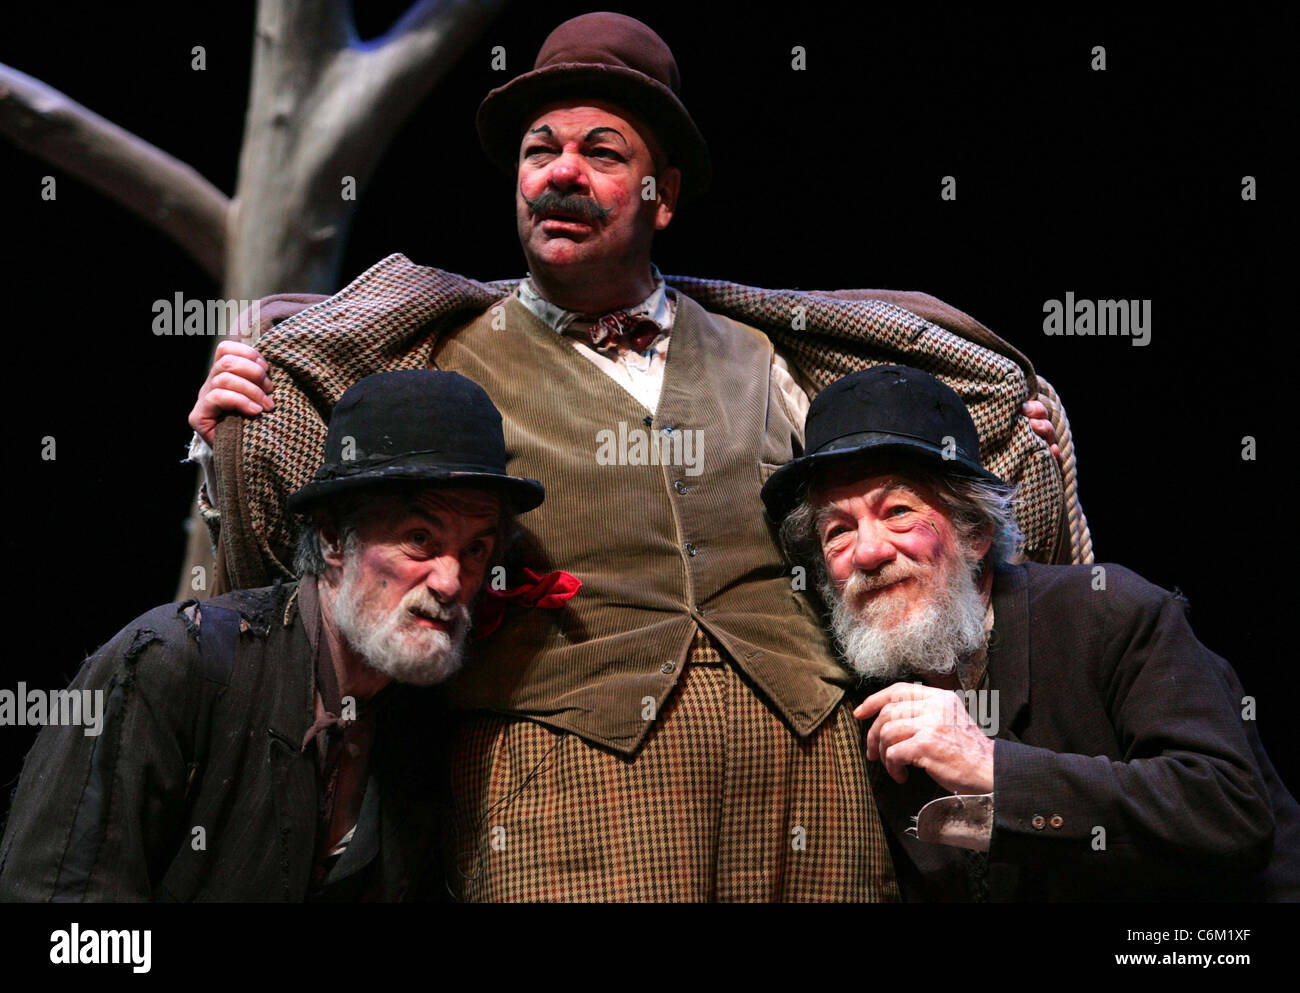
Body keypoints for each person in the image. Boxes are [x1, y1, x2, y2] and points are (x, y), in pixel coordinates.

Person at [185, 13, 1071, 901]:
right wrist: (243, 419)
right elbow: (321, 523)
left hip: (812, 786)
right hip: (561, 794)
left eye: (601, 153)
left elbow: (912, 484)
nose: (561, 172)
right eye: (540, 151)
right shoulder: (442, 366)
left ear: (663, 196)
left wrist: (1006, 425)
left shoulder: (767, 355)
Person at [762, 363, 1300, 901]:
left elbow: (1229, 812)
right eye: (838, 531)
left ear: (975, 532)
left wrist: (990, 765)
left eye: (898, 511)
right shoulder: (852, 701)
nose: (867, 552)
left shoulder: (1108, 611)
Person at [0, 370, 544, 901]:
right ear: (334, 538)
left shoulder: (424, 732)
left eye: (475, 549)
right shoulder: (173, 664)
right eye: (420, 539)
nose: (450, 581)